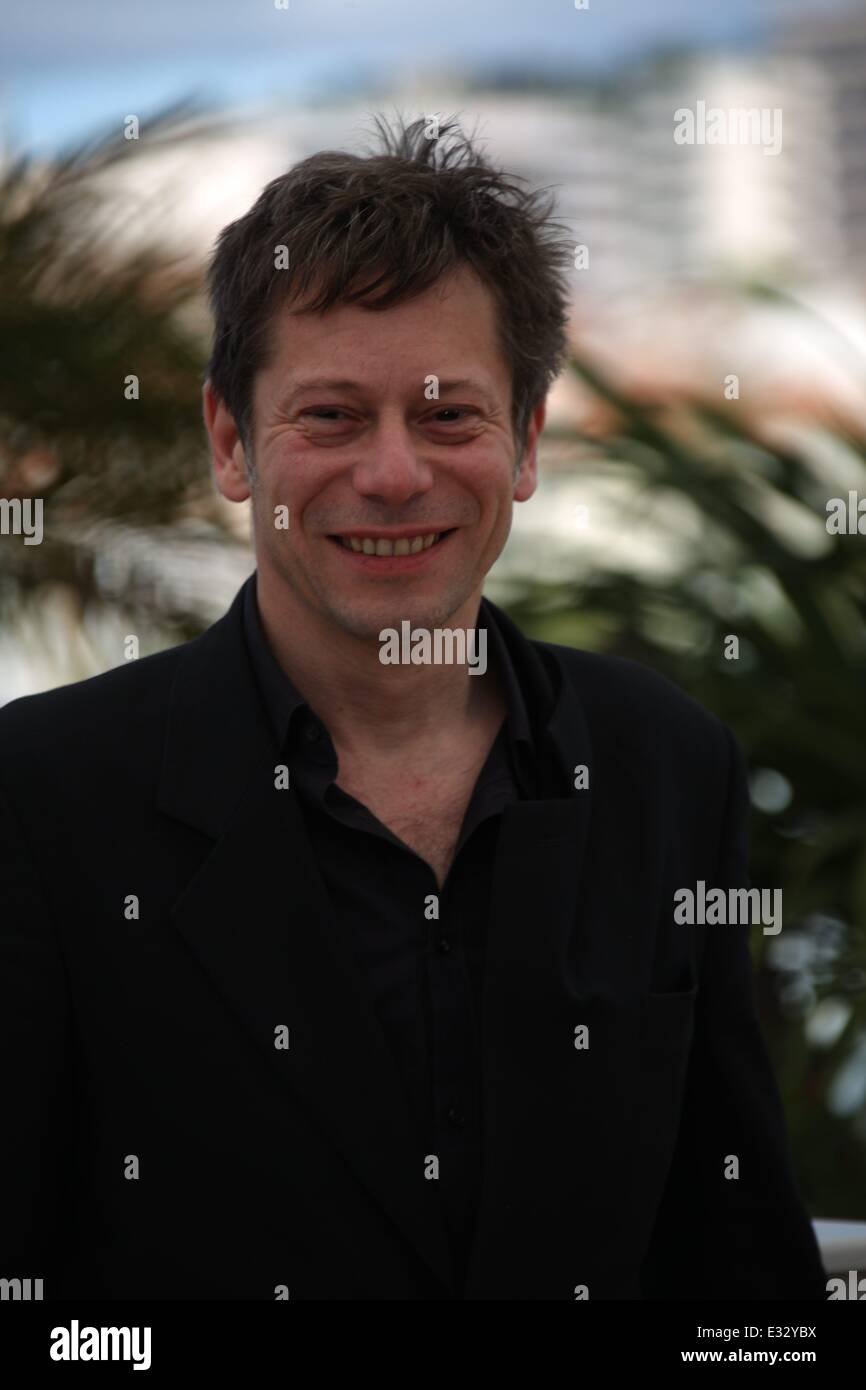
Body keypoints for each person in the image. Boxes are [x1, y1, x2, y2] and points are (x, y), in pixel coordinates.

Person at [0, 115, 827, 1300]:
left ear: (526, 441)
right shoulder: (41, 797)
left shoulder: (666, 763)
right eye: (330, 416)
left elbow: (738, 1261)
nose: (393, 473)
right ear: (231, 441)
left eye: (448, 416)